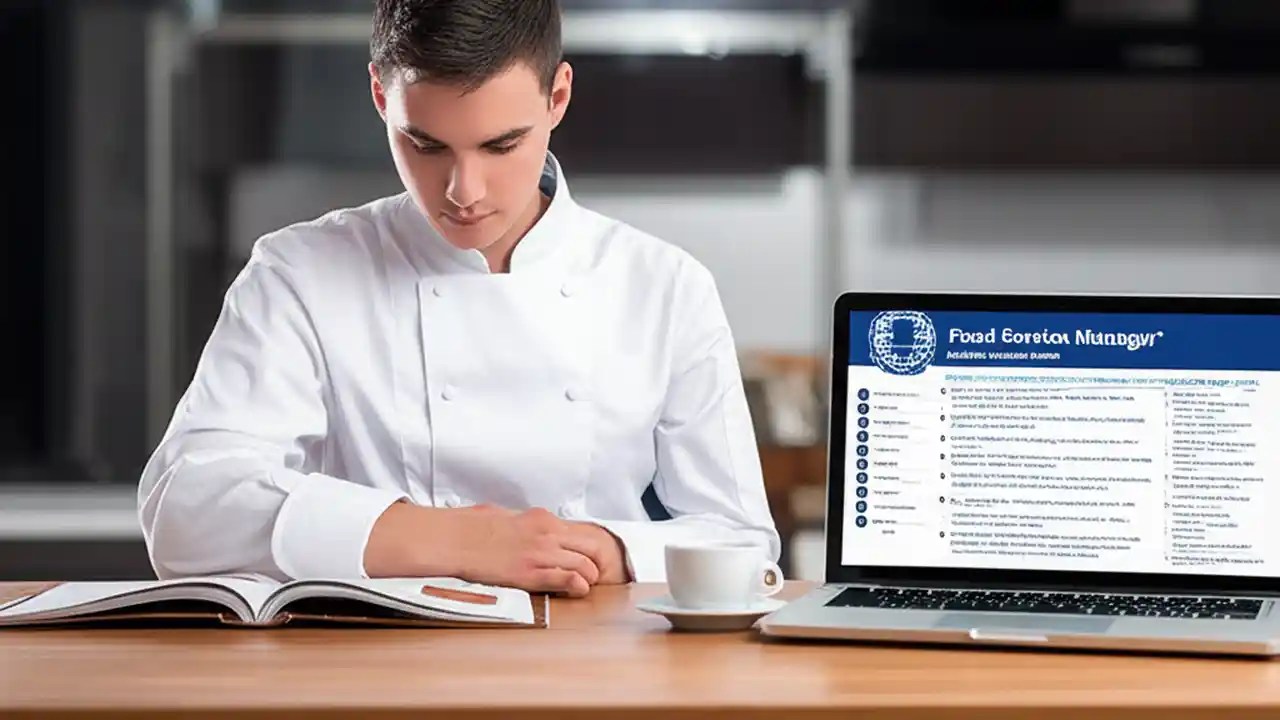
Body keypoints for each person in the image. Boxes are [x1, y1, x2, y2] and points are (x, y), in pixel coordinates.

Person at [138, 0, 779, 598]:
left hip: (595, 664)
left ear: (558, 96)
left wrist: (603, 551)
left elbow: (744, 542)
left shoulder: (665, 286)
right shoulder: (300, 273)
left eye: (501, 145)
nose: (462, 191)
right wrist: (464, 541)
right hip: (371, 662)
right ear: (378, 96)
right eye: (425, 145)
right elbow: (186, 510)